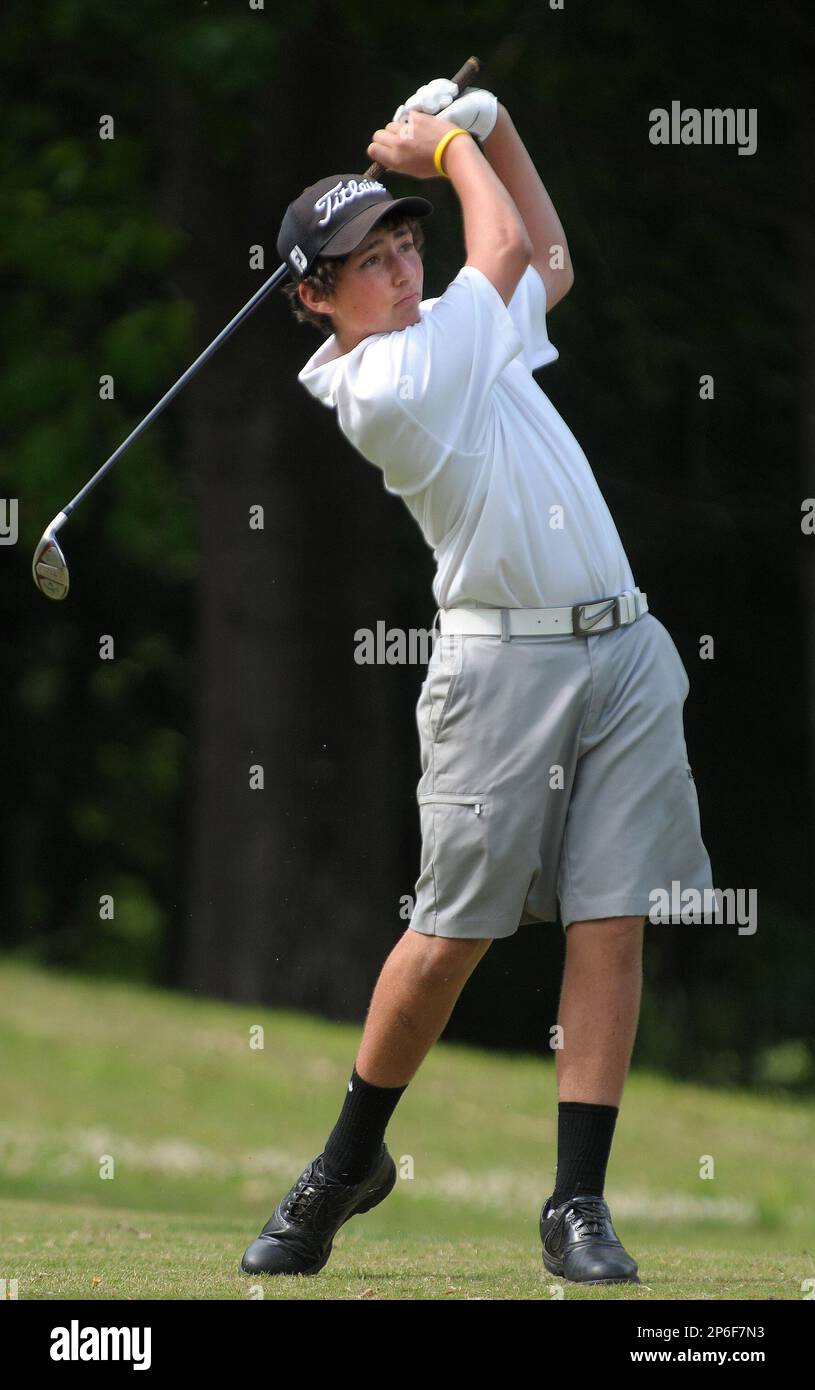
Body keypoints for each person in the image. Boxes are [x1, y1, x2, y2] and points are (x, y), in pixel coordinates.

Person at [240, 81, 714, 1286]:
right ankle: (345, 1160)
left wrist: (495, 130)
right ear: (313, 299)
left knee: (611, 920)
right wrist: (450, 143)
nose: (401, 266)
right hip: (500, 668)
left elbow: (540, 256)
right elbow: (498, 242)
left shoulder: (456, 323)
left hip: (622, 652)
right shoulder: (391, 387)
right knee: (449, 933)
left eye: (404, 242)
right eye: (367, 260)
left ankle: (575, 1205)